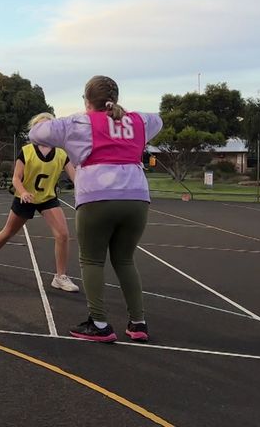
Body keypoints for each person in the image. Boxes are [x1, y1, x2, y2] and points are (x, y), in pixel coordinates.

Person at [29, 75, 162, 343]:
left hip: (97, 196)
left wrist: (81, 116)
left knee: (92, 259)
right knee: (125, 259)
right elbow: (157, 120)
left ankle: (99, 323)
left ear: (87, 100)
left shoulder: (80, 122)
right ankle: (138, 323)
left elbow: (35, 133)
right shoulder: (139, 121)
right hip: (137, 198)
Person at [0, 113, 79, 292]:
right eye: (42, 127)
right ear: (35, 130)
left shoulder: (61, 153)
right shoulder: (27, 151)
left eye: (50, 126)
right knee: (8, 232)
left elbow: (76, 178)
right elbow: (16, 178)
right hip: (25, 197)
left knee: (63, 234)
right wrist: (23, 192)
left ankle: (60, 277)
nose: (46, 130)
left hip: (48, 198)